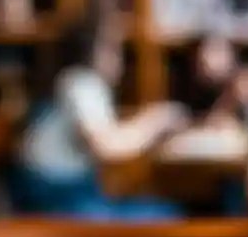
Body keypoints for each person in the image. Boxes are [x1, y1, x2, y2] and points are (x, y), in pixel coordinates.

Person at [14, 16, 186, 219]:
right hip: (58, 198)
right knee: (167, 217)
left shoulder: (71, 83)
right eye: (112, 48)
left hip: (57, 194)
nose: (119, 58)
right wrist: (157, 121)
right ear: (88, 50)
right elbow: (106, 145)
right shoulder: (81, 82)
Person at [175, 34, 248, 146]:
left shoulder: (246, 80)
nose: (207, 59)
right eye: (204, 53)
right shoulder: (194, 86)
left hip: (246, 147)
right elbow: (200, 121)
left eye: (218, 52)